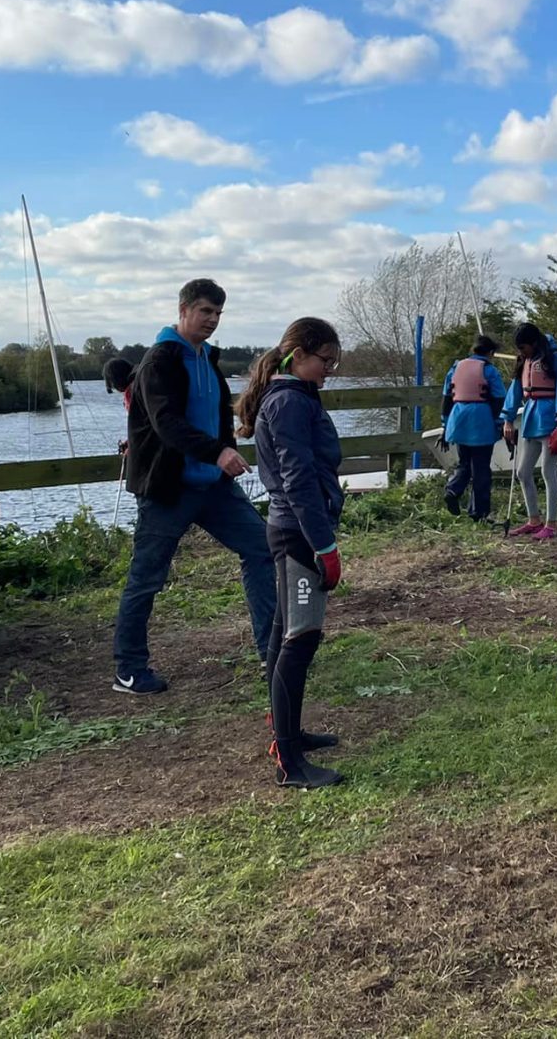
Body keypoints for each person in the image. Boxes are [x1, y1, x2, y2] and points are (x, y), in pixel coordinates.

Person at [114, 279, 276, 695]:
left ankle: (271, 651)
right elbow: (166, 422)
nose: (212, 320)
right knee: (147, 577)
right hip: (168, 488)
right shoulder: (159, 361)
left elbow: (214, 416)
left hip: (213, 488)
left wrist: (227, 445)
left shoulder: (206, 359)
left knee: (261, 547)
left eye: (218, 313)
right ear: (183, 309)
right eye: (205, 311)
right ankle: (129, 669)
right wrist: (217, 452)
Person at [238, 317, 347, 789]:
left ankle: (289, 734)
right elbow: (298, 480)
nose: (328, 371)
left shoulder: (294, 396)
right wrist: (325, 546)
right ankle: (288, 761)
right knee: (299, 642)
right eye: (325, 361)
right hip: (297, 533)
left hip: (292, 529)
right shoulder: (287, 403)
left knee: (287, 635)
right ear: (298, 355)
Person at [501, 322, 557, 540]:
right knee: (523, 472)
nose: (521, 352)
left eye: (523, 347)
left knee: (547, 470)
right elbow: (516, 390)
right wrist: (508, 418)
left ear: (533, 343)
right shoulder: (525, 361)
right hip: (531, 419)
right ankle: (534, 520)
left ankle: (551, 523)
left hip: (551, 420)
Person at [441, 334, 506, 522]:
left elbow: (446, 397)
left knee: (464, 463)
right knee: (481, 468)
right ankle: (479, 512)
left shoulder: (455, 367)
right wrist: (499, 423)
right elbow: (498, 398)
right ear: (490, 353)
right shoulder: (489, 370)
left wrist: (445, 425)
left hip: (458, 418)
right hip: (481, 420)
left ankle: (453, 490)